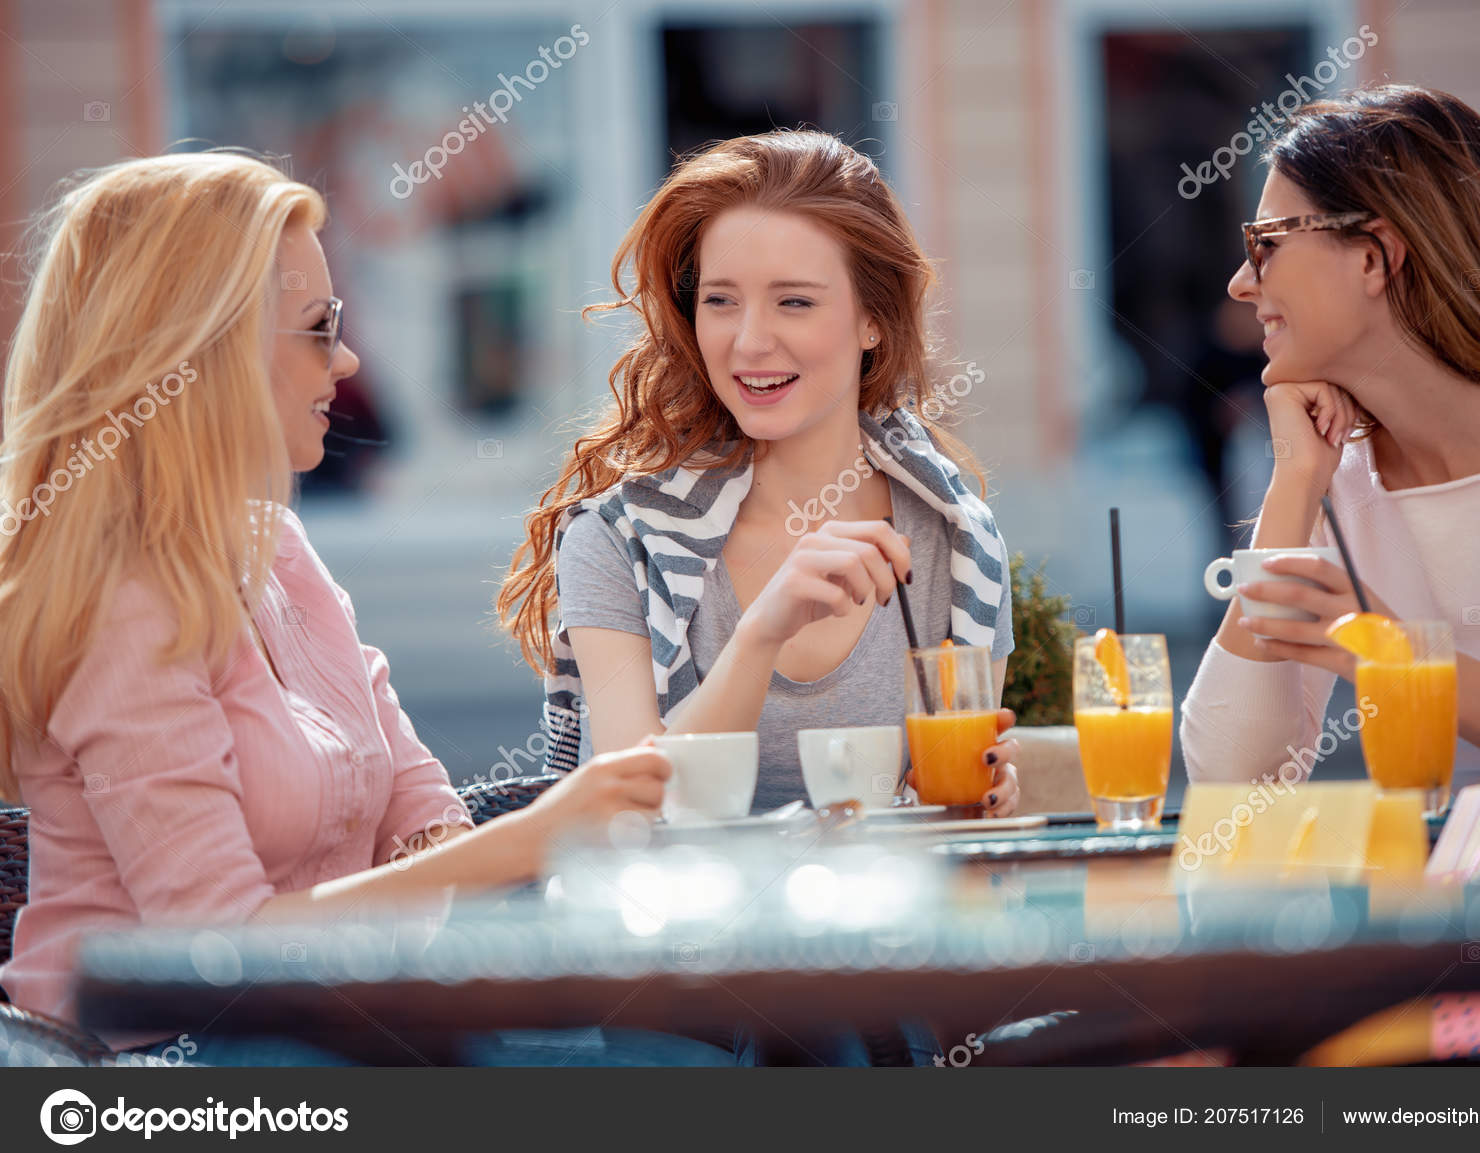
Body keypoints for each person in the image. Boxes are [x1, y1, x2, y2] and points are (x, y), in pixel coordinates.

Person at [0, 151, 726, 1067]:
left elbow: (418, 802)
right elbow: (218, 952)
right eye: (317, 326)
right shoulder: (117, 604)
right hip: (170, 1063)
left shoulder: (278, 551)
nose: (345, 361)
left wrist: (481, 854)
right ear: (202, 350)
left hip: (340, 1023)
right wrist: (531, 838)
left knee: (687, 1056)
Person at [498, 130, 1021, 820]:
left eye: (794, 301)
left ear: (873, 321)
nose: (748, 341)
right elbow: (620, 815)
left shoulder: (954, 543)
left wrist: (988, 799)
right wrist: (759, 635)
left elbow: (951, 820)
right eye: (720, 300)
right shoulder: (618, 540)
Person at [1180, 84, 1480, 789]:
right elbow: (1232, 783)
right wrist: (1294, 488)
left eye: (1266, 245)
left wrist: (1402, 659)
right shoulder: (1334, 480)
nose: (1239, 284)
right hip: (1421, 898)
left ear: (1374, 258)